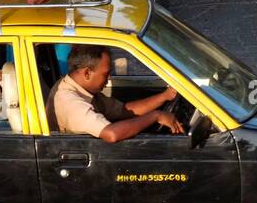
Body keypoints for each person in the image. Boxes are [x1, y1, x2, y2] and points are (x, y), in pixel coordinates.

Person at [48, 45, 184, 141]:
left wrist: (165, 96)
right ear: (87, 73)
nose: (109, 79)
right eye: (105, 74)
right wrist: (156, 116)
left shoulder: (83, 89)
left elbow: (124, 111)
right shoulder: (69, 102)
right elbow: (111, 134)